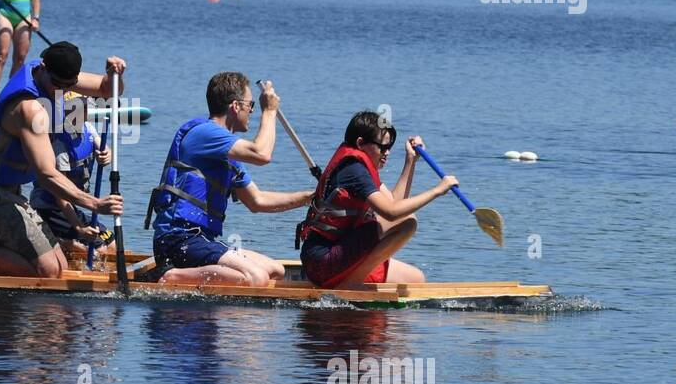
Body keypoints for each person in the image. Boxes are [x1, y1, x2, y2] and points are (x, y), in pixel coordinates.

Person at [0, 41, 124, 278]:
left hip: (12, 193)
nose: (60, 91)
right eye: (57, 85)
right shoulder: (29, 109)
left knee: (60, 267)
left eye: (68, 86)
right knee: (48, 272)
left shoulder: (56, 75)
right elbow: (46, 174)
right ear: (43, 67)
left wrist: (114, 73)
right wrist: (94, 204)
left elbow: (107, 89)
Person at [145, 73, 313, 287]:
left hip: (200, 239)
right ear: (235, 106)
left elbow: (257, 201)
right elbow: (262, 153)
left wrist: (309, 198)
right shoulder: (206, 134)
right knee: (257, 278)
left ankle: (200, 277)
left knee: (275, 270)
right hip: (177, 239)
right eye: (250, 105)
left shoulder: (229, 153)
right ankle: (171, 276)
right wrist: (269, 111)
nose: (251, 111)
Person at [298, 111, 458, 289]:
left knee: (415, 279)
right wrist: (437, 190)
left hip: (339, 253)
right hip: (322, 262)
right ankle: (351, 284)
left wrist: (410, 161)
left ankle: (353, 279)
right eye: (382, 147)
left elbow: (394, 202)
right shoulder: (354, 171)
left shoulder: (360, 167)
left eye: (389, 147)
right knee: (409, 221)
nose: (387, 153)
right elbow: (392, 213)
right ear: (360, 143)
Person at [27, 92, 115, 252]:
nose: (82, 113)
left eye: (85, 108)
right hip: (49, 208)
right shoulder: (60, 144)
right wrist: (80, 228)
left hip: (71, 207)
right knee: (99, 250)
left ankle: (66, 241)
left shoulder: (88, 128)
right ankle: (59, 241)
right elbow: (60, 195)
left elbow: (105, 148)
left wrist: (107, 155)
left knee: (111, 242)